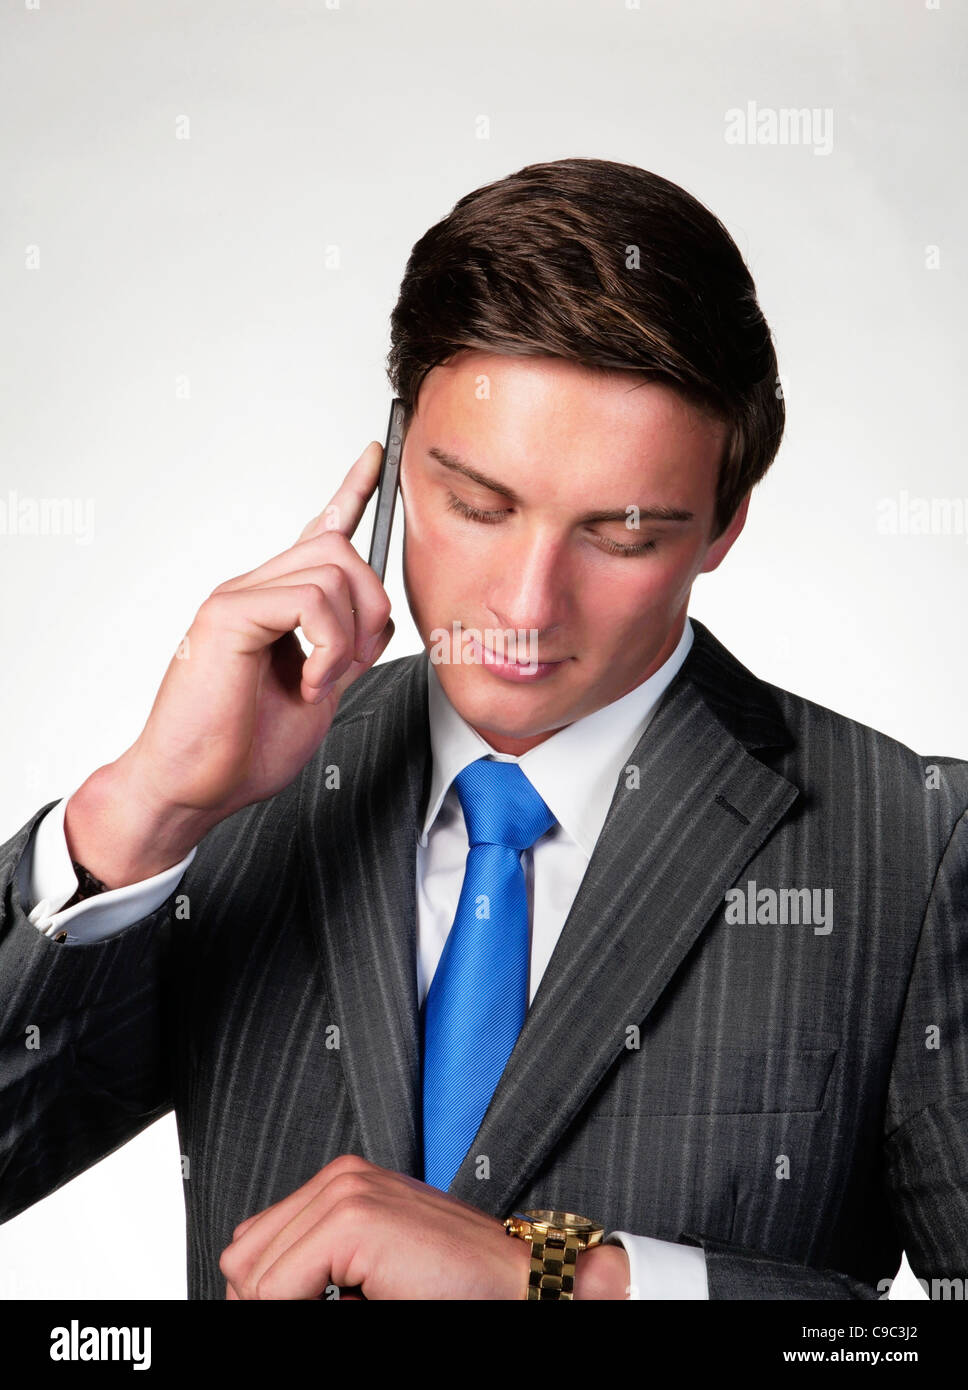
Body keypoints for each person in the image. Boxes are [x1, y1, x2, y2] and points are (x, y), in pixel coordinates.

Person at [1, 158, 965, 1301]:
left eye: (620, 534)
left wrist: (568, 1282)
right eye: (477, 506)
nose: (523, 607)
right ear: (397, 459)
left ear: (721, 526)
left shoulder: (910, 850)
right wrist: (142, 806)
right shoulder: (230, 797)